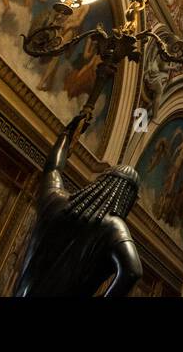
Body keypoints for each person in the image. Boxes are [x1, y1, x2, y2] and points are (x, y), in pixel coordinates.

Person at [13, 109, 142, 296]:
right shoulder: (113, 228)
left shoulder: (56, 200)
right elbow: (132, 272)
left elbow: (53, 169)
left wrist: (67, 135)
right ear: (127, 198)